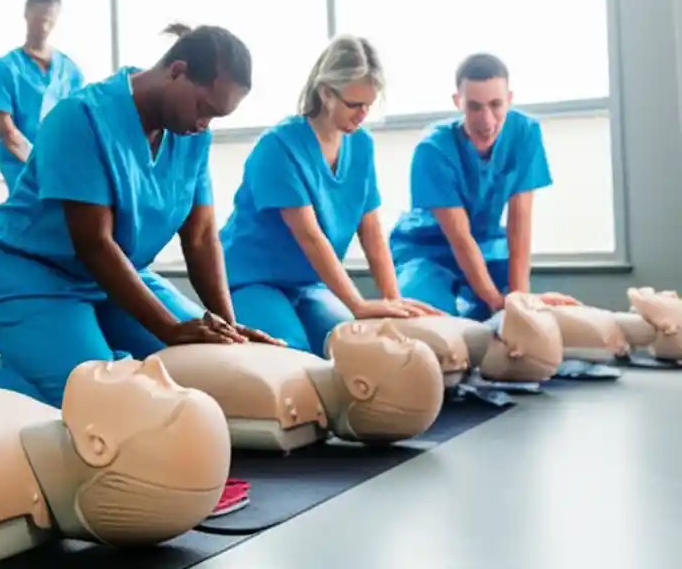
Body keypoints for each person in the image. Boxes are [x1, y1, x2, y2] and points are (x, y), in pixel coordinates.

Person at [0, 24, 282, 409]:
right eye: (203, 109)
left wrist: (228, 327)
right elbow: (94, 244)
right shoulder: (80, 117)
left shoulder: (192, 136)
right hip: (28, 277)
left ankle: (74, 350)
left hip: (118, 276)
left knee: (207, 368)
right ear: (177, 71)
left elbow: (199, 236)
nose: (204, 124)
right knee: (106, 402)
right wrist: (168, 327)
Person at [218, 35, 437, 358]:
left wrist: (393, 300)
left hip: (308, 285)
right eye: (354, 104)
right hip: (251, 281)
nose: (362, 114)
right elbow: (310, 236)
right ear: (325, 93)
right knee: (295, 355)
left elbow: (373, 233)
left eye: (368, 104)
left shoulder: (361, 145)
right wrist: (358, 304)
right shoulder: (278, 147)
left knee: (351, 349)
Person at [388, 53, 575, 318]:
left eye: (496, 105)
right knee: (428, 318)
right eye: (474, 107)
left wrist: (518, 302)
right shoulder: (432, 150)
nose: (487, 121)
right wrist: (496, 301)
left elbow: (519, 224)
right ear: (458, 102)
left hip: (487, 243)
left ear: (510, 99)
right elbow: (460, 239)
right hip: (426, 248)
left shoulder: (524, 132)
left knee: (527, 309)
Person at [0, 0, 85, 190]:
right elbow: (7, 131)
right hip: (23, 172)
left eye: (49, 19)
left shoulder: (70, 72)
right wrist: (40, 166)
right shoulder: (6, 68)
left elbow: (77, 127)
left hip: (63, 173)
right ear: (26, 13)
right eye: (39, 17)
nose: (44, 25)